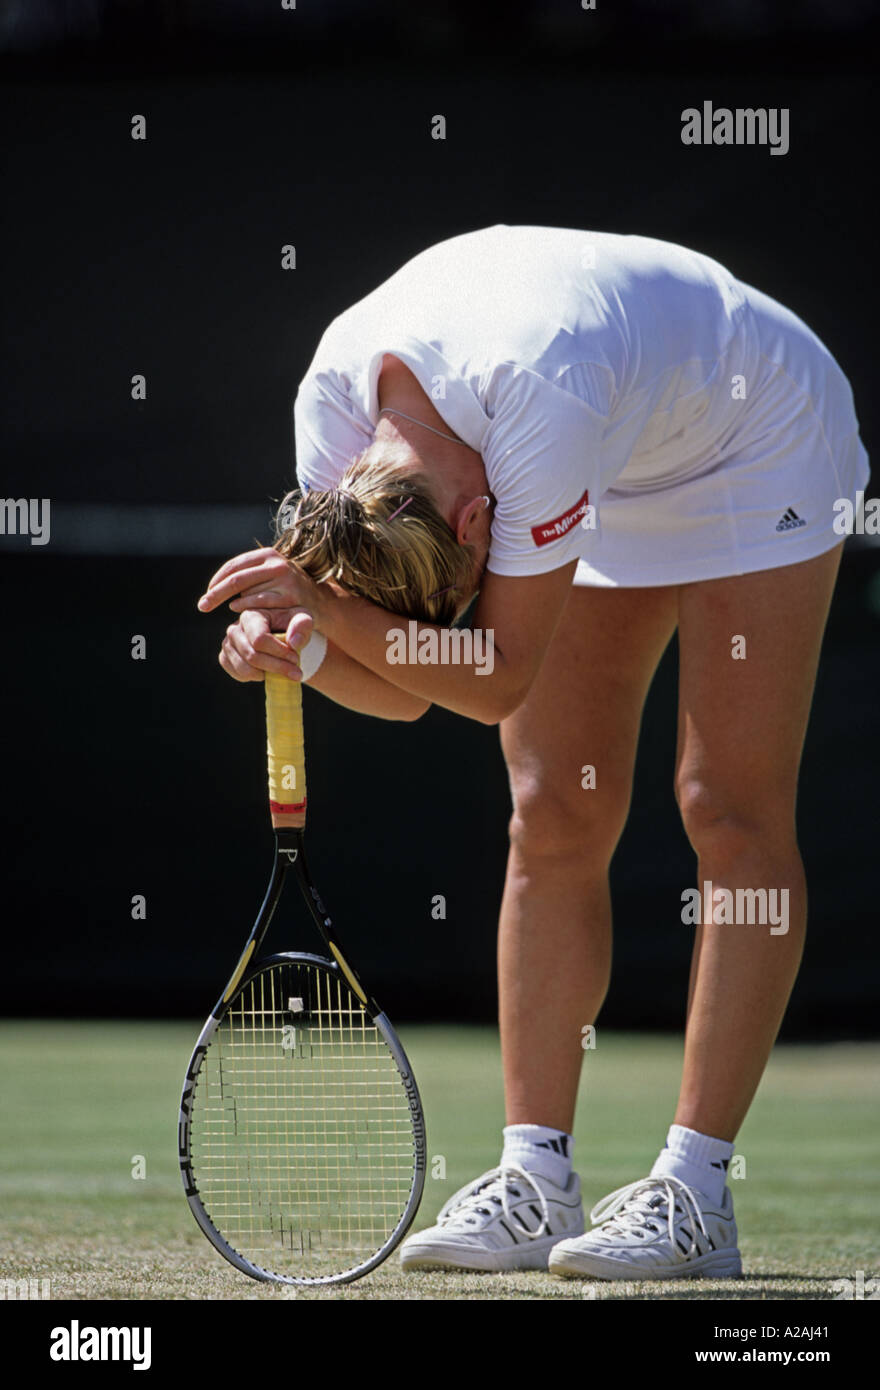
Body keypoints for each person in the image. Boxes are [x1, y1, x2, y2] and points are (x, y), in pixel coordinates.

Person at [197, 225, 869, 1280]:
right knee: (552, 806)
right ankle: (534, 1176)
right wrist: (304, 648)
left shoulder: (537, 398)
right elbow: (418, 695)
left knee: (724, 804)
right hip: (608, 432)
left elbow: (492, 675)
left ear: (477, 524)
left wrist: (336, 624)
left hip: (756, 433)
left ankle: (696, 1189)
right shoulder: (335, 434)